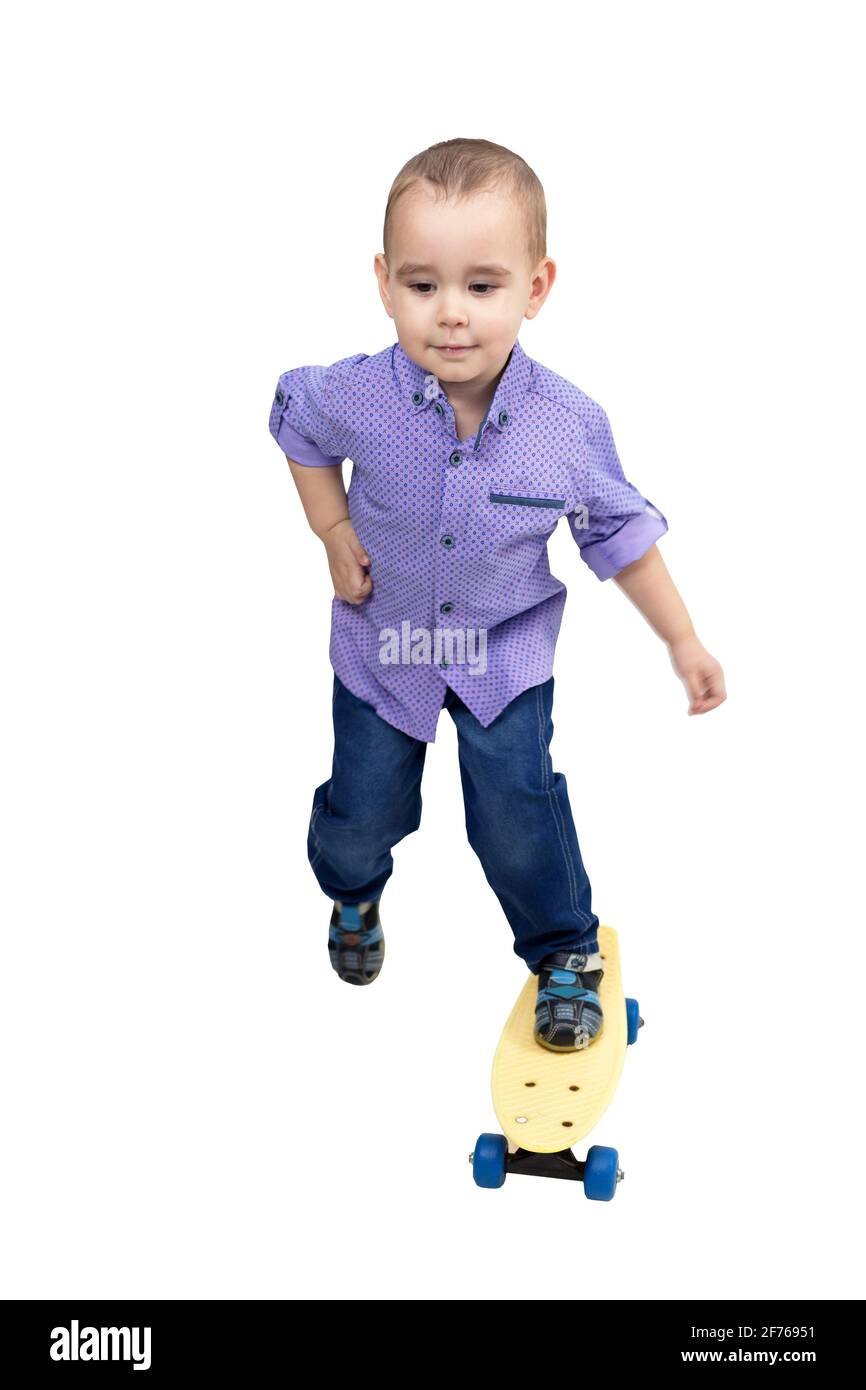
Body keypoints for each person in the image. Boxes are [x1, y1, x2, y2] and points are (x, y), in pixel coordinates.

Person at [267, 137, 726, 1052]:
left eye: (482, 285)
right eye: (421, 283)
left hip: (500, 653)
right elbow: (295, 420)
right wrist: (332, 531)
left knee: (517, 809)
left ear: (536, 286)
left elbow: (621, 534)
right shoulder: (358, 393)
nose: (450, 315)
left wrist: (684, 640)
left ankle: (564, 952)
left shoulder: (565, 426)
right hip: (382, 648)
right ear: (383, 281)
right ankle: (353, 892)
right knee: (364, 815)